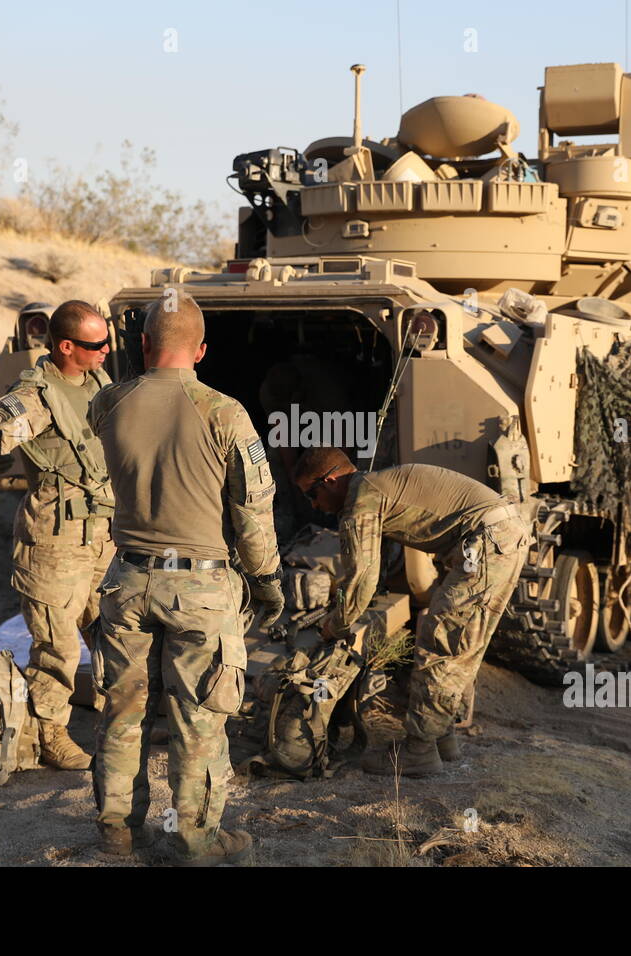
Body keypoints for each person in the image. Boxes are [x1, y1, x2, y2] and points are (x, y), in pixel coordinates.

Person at [88, 290, 284, 864]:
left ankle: (117, 833)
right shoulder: (225, 413)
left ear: (143, 345)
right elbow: (254, 516)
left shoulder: (107, 404)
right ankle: (197, 840)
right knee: (198, 720)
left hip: (126, 580)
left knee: (123, 714)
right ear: (202, 350)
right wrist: (269, 583)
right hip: (198, 589)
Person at [293, 449, 530, 776]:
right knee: (457, 646)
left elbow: (362, 578)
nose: (314, 505)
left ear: (331, 481)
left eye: (311, 494)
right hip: (500, 536)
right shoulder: (377, 486)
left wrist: (334, 625)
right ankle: (442, 739)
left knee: (441, 644)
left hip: (486, 542)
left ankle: (419, 752)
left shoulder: (362, 497)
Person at [0, 300, 116, 770]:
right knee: (58, 644)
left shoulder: (99, 382)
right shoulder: (33, 392)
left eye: (108, 341)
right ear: (66, 346)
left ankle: (115, 714)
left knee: (111, 630)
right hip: (54, 538)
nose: (106, 351)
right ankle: (51, 734)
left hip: (102, 533)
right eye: (96, 345)